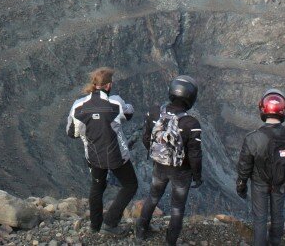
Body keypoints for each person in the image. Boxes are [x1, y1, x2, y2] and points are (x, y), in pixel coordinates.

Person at [66, 67, 138, 235]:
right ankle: (110, 222)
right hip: (116, 156)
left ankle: (95, 226)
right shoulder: (115, 102)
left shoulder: (78, 106)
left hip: (94, 156)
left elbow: (71, 133)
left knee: (97, 187)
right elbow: (129, 113)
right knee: (130, 185)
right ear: (108, 86)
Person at [135, 75, 203, 245]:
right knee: (177, 207)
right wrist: (197, 176)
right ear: (191, 98)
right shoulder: (191, 123)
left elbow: (146, 139)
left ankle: (140, 232)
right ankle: (170, 241)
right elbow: (195, 155)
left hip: (159, 166)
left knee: (152, 197)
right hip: (181, 171)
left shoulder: (154, 112)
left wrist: (158, 156)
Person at [236, 89, 285, 246]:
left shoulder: (253, 138)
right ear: (283, 111)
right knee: (277, 215)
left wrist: (241, 185)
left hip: (259, 183)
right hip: (281, 182)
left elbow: (244, 167)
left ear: (263, 109)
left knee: (260, 218)